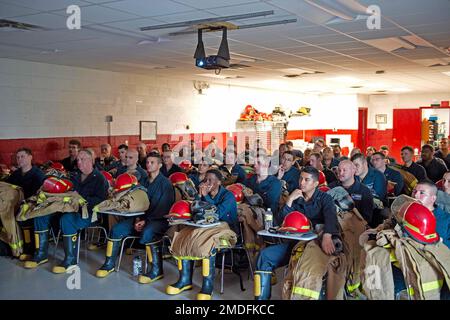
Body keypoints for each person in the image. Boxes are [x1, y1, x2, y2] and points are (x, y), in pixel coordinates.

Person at [254, 166, 339, 300]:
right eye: (300, 178)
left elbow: (331, 218)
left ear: (316, 183)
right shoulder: (295, 197)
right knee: (264, 256)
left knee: (310, 268)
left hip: (314, 245)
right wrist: (289, 200)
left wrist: (327, 236)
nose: (301, 182)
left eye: (306, 180)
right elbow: (280, 222)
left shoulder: (325, 198)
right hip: (293, 244)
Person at [25, 149, 109, 272]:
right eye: (78, 160)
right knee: (40, 215)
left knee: (67, 219)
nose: (79, 162)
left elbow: (100, 201)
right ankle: (40, 255)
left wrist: (79, 199)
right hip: (66, 209)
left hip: (88, 214)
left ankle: (70, 259)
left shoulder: (100, 179)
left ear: (91, 161)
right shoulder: (74, 176)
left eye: (82, 159)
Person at [96, 152, 175, 280]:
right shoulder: (142, 181)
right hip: (139, 218)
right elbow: (135, 202)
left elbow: (164, 208)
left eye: (152, 162)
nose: (148, 165)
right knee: (116, 230)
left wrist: (145, 221)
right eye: (147, 162)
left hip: (158, 220)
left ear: (160, 165)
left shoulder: (165, 184)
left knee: (148, 231)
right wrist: (138, 218)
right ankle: (109, 264)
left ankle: (156, 270)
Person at [166, 169, 238, 300]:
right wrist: (200, 196)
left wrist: (206, 196)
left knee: (208, 245)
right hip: (205, 228)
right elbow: (196, 210)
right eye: (205, 180)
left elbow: (216, 215)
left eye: (210, 180)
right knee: (183, 237)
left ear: (219, 182)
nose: (207, 183)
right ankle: (185, 280)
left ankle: (207, 286)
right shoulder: (204, 194)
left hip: (226, 232)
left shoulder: (228, 196)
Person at [6, 148, 46, 261]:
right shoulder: (16, 174)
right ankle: (14, 246)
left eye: (22, 156)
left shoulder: (37, 174)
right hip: (17, 205)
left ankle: (30, 249)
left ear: (30, 157)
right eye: (17, 157)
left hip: (33, 206)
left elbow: (38, 196)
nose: (19, 159)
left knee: (25, 218)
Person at [329, 160, 374, 224]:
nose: (341, 173)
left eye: (344, 170)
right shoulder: (331, 187)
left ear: (353, 171)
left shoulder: (364, 191)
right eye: (339, 170)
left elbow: (367, 218)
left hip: (356, 227)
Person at [244, 155, 282, 224]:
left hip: (268, 218)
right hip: (249, 214)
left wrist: (250, 196)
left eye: (258, 163)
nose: (255, 166)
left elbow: (268, 202)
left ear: (267, 164)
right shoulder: (250, 180)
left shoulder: (275, 183)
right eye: (254, 163)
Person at [351, 153, 387, 226]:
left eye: (357, 165)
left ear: (365, 163)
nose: (354, 168)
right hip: (356, 212)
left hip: (375, 214)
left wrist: (355, 196)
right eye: (353, 166)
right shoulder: (353, 176)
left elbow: (377, 200)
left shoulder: (378, 175)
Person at [412, 181, 450, 248]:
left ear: (433, 198)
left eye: (422, 193)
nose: (415, 195)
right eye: (414, 191)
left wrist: (440, 240)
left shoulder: (447, 219)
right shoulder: (405, 212)